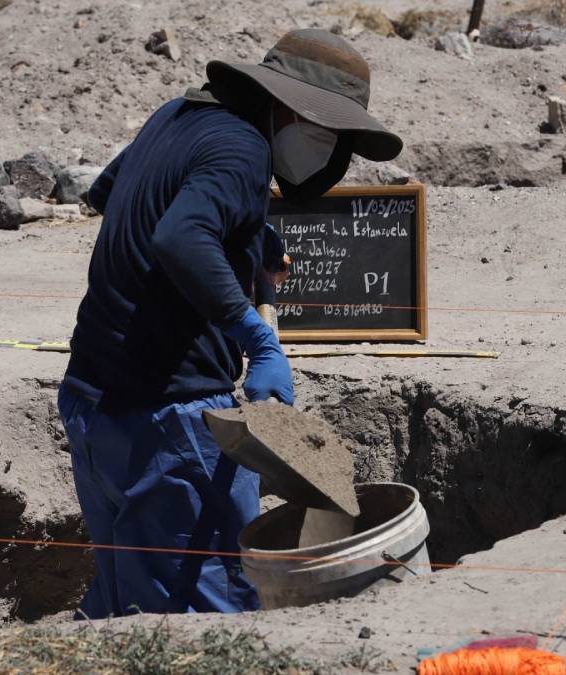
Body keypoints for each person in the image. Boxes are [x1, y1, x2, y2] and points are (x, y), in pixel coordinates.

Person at [58, 28, 402, 618]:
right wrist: (255, 335)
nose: (328, 148)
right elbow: (179, 235)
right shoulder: (243, 147)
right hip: (173, 420)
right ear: (282, 106)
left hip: (94, 403)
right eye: (325, 131)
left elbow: (114, 192)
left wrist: (244, 238)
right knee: (207, 620)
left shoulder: (176, 114)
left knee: (130, 609)